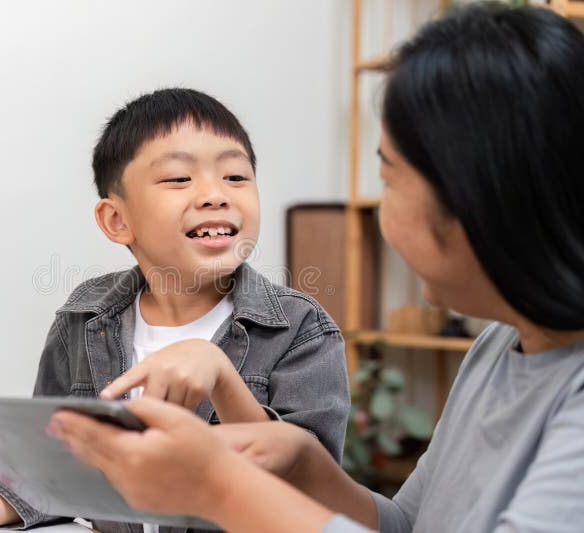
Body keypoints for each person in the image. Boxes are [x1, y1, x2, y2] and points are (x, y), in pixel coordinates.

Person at [49, 4, 584, 532]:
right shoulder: (498, 347)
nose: (381, 213)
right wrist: (304, 460)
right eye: (178, 180)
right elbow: (407, 525)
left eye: (391, 179)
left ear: (485, 195)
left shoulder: (301, 324)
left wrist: (219, 487)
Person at [0, 88, 350, 533]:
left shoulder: (299, 330)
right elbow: (55, 477)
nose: (216, 194)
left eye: (236, 176)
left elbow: (309, 502)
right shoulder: (83, 320)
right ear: (117, 220)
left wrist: (223, 378)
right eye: (178, 178)